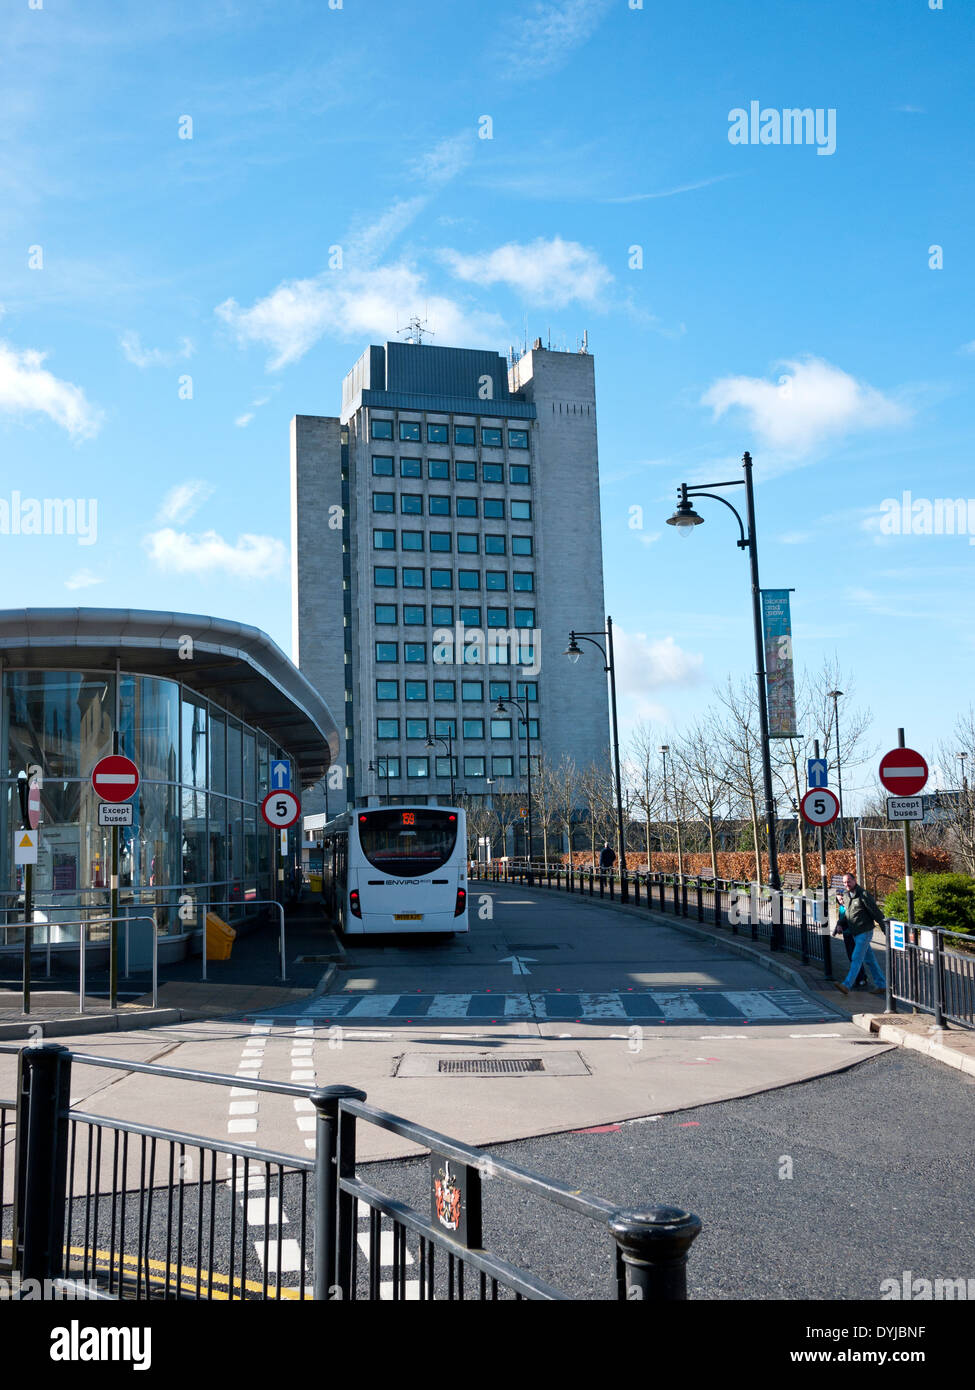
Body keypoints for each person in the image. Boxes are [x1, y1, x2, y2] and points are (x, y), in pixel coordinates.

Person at [834, 872, 887, 996]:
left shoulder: (863, 895)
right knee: (870, 960)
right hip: (855, 933)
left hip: (865, 931)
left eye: (849, 881)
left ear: (854, 881)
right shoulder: (846, 896)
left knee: (856, 957)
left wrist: (885, 930)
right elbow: (848, 914)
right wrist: (840, 924)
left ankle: (847, 985)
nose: (847, 884)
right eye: (844, 882)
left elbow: (877, 913)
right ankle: (882, 985)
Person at [833, 889, 867, 989]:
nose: (841, 901)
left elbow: (849, 919)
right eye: (839, 900)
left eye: (842, 899)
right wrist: (836, 929)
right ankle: (858, 977)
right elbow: (840, 920)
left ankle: (862, 978)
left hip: (854, 934)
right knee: (851, 956)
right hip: (846, 935)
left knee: (856, 957)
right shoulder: (841, 908)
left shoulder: (850, 907)